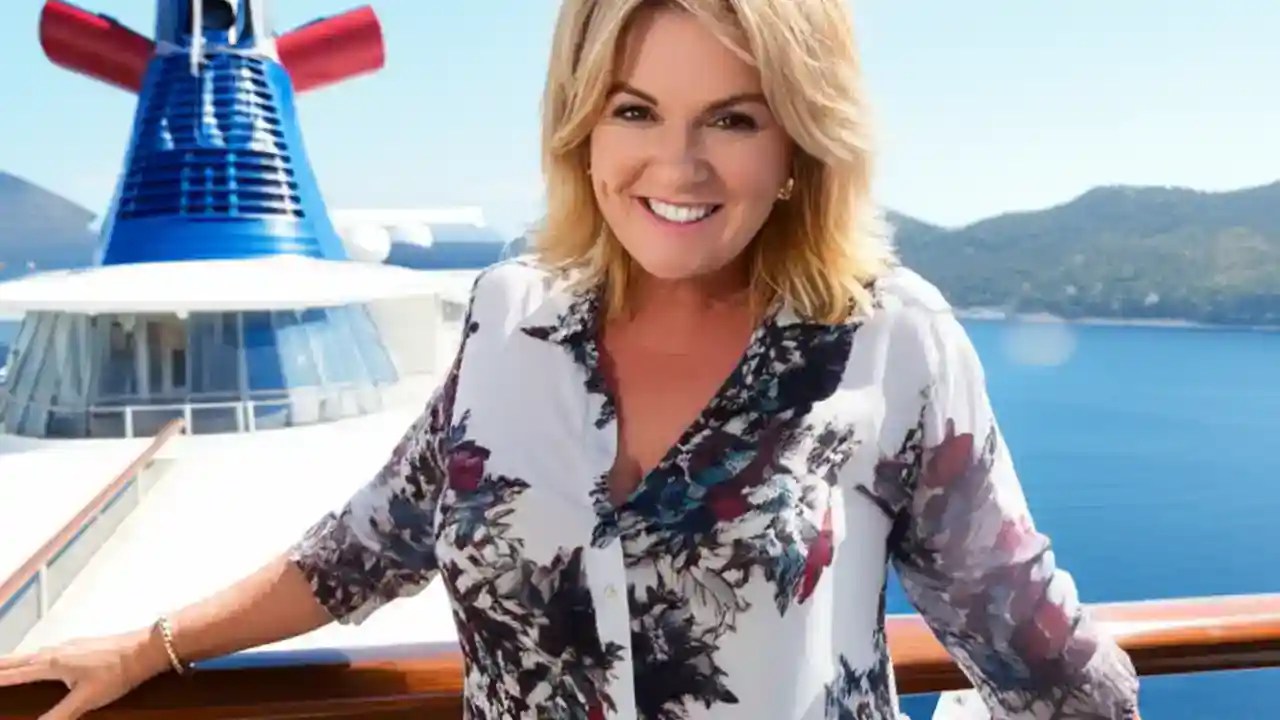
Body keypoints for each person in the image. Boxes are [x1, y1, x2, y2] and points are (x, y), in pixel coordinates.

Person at [0, 0, 1142, 718]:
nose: (677, 165)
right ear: (581, 129)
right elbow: (365, 546)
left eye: (734, 119)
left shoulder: (887, 341)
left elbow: (1036, 654)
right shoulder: (509, 319)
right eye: (636, 110)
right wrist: (150, 646)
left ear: (800, 144)